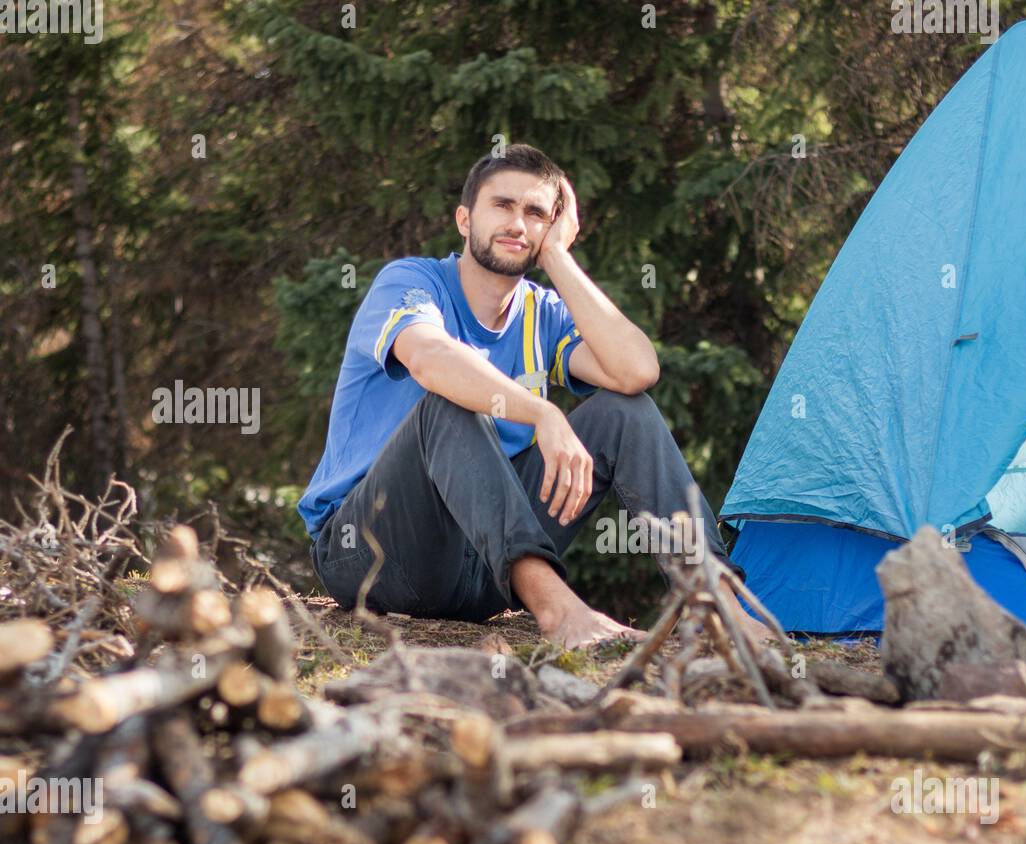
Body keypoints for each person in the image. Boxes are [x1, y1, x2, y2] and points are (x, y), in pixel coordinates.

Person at [298, 144, 767, 649]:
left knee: (623, 411)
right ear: (464, 218)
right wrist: (541, 411)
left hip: (482, 575)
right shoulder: (412, 282)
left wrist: (559, 259)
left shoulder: (541, 313)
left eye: (535, 213)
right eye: (502, 205)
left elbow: (637, 371)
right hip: (371, 553)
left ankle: (713, 601)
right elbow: (430, 359)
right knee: (447, 405)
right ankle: (557, 608)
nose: (517, 224)